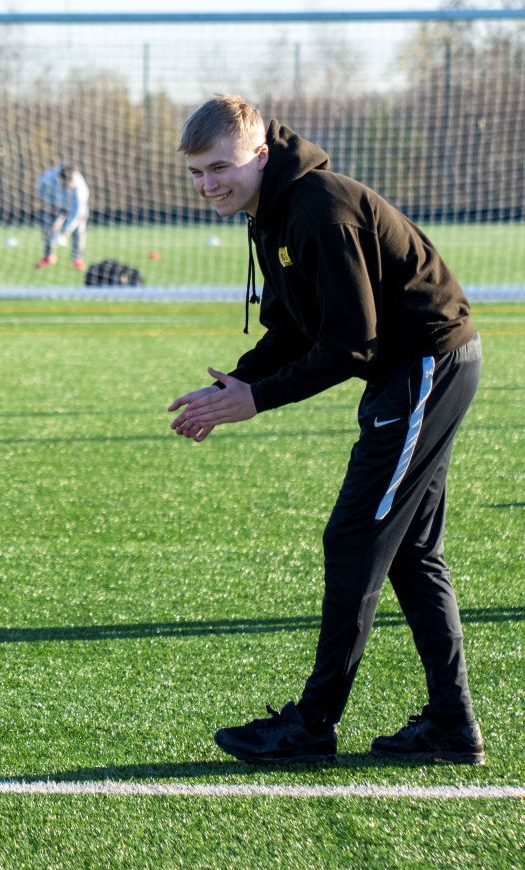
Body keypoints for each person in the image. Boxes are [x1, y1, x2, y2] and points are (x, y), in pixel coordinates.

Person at [167, 94, 484, 766]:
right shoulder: (271, 210)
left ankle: (312, 724)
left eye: (218, 167)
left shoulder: (318, 211)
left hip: (425, 364)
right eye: (195, 172)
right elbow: (293, 327)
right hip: (410, 370)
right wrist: (237, 383)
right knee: (409, 550)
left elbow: (351, 346)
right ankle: (452, 726)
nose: (207, 184)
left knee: (355, 537)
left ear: (260, 153)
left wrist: (257, 400)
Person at [34, 165, 89, 271]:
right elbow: (40, 187)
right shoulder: (48, 178)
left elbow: (77, 214)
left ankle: (77, 260)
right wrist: (48, 201)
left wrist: (65, 233)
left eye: (68, 184)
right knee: (48, 226)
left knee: (79, 231)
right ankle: (48, 256)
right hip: (55, 204)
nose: (66, 186)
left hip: (74, 208)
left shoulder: (80, 189)